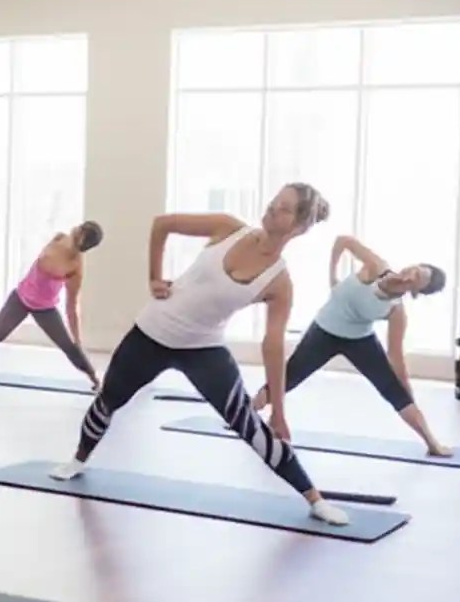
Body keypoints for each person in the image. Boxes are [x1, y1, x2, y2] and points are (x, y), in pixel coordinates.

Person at [49, 183, 351, 526]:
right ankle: (77, 460)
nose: (271, 208)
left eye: (283, 208)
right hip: (151, 333)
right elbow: (162, 224)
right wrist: (153, 278)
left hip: (203, 348)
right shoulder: (227, 227)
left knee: (249, 426)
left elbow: (273, 345)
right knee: (108, 401)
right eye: (274, 201)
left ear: (298, 227)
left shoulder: (279, 282)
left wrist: (278, 410)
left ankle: (315, 499)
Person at [251, 235, 450, 456]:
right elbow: (342, 241)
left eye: (417, 280)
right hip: (324, 331)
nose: (410, 275)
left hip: (360, 340)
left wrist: (405, 391)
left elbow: (396, 356)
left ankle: (432, 443)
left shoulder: (396, 312)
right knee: (288, 377)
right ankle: (246, 414)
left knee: (394, 391)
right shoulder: (376, 267)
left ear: (415, 292)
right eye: (416, 269)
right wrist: (333, 276)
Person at [0, 222, 104, 386]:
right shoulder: (59, 238)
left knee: (68, 346)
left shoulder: (75, 266)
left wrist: (77, 339)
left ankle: (95, 380)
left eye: (81, 233)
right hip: (21, 297)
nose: (76, 230)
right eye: (79, 228)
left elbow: (71, 305)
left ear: (83, 241)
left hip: (45, 309)